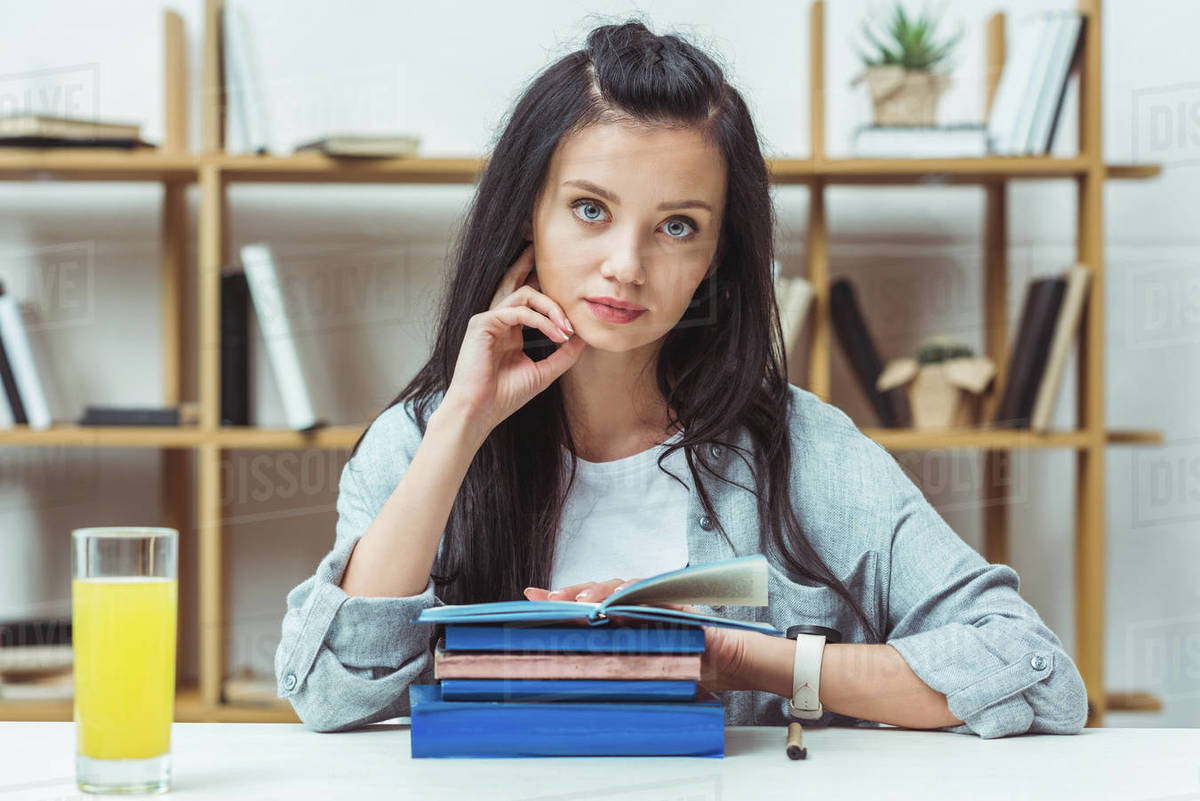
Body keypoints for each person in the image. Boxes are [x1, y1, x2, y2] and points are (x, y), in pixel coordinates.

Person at [274, 19, 1088, 739]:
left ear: (715, 259)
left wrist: (742, 656)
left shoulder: (803, 451)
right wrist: (462, 422)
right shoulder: (421, 438)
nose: (626, 267)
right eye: (591, 209)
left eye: (676, 227)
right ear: (530, 216)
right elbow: (327, 693)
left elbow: (1033, 669)